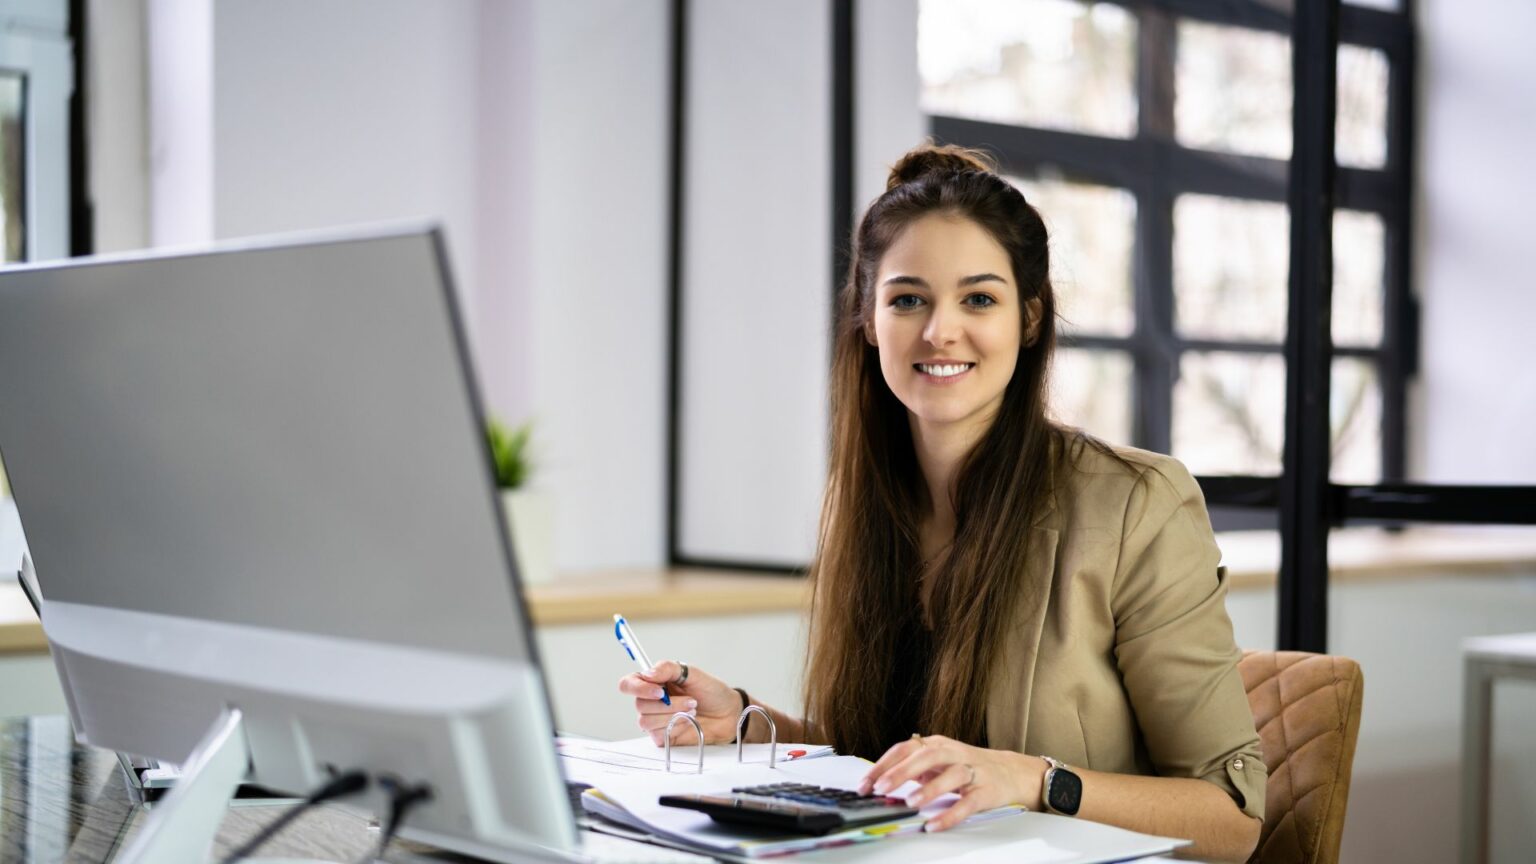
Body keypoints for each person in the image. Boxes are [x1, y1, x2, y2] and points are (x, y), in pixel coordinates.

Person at [617, 143, 1265, 861]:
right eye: (908, 299)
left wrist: (1034, 779)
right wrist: (745, 719)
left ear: (1028, 318)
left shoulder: (1136, 504)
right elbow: (875, 763)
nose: (939, 331)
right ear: (868, 318)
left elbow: (1232, 821)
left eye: (978, 299)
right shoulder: (863, 502)